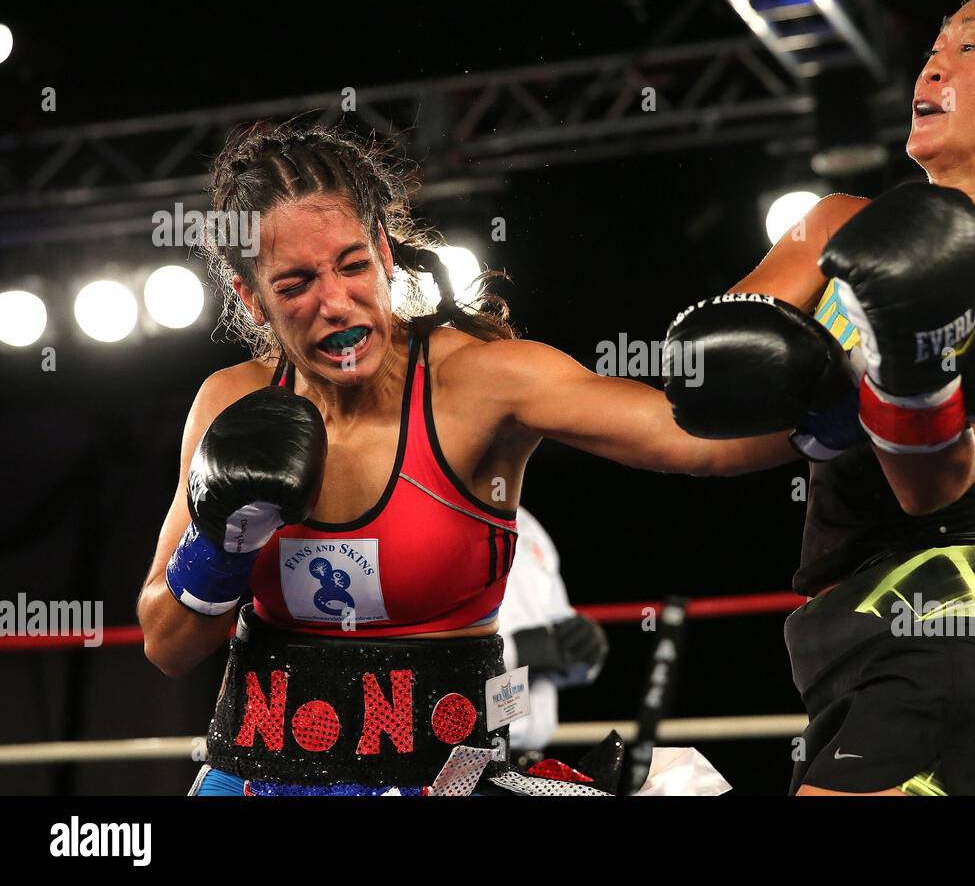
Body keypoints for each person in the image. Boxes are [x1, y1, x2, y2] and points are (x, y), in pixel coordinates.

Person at [136, 122, 793, 796]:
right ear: (254, 299)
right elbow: (167, 645)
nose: (334, 302)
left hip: (445, 782)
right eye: (296, 282)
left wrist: (847, 400)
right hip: (252, 779)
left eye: (353, 265)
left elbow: (693, 438)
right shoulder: (232, 403)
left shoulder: (479, 382)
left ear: (384, 254)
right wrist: (220, 543)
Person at [662, 0, 975, 795]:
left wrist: (884, 362)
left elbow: (936, 479)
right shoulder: (833, 225)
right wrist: (494, 387)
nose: (934, 66)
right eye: (935, 47)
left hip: (945, 636)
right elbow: (692, 410)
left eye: (971, 46)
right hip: (841, 651)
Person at [496, 506, 608, 756]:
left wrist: (585, 650)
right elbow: (410, 648)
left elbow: (557, 629)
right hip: (458, 759)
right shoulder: (423, 515)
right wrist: (512, 653)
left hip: (531, 758)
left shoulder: (526, 523)